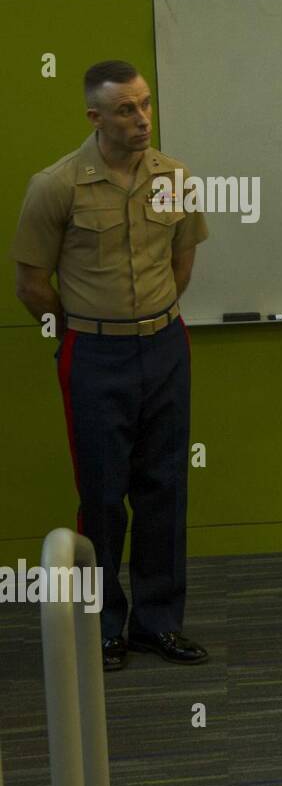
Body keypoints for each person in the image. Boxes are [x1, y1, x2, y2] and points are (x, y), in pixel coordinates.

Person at [12, 60, 209, 670]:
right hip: (94, 353)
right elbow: (31, 283)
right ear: (95, 117)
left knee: (165, 487)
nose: (142, 118)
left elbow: (181, 262)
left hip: (165, 347)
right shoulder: (57, 185)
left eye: (146, 104)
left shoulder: (174, 177)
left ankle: (159, 621)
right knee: (101, 495)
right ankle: (104, 625)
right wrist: (86, 326)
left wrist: (152, 317)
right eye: (126, 109)